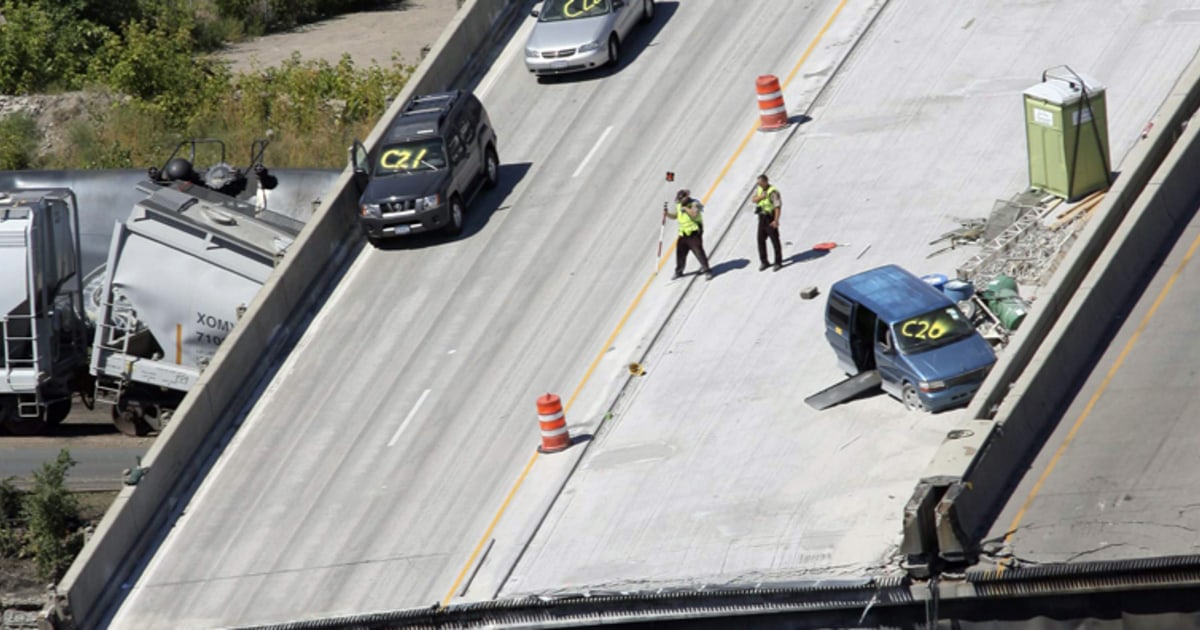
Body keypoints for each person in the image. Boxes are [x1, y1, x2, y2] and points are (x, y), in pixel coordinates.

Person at [668, 188, 712, 280]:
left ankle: (707, 271)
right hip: (683, 234)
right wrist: (667, 214)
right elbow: (676, 216)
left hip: (694, 233)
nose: (680, 201)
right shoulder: (679, 205)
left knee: (699, 252)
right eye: (679, 199)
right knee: (680, 253)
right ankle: (679, 271)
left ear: (686, 197)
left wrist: (685, 208)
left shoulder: (694, 203)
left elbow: (694, 214)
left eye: (681, 199)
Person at [750, 173, 783, 271]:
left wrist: (776, 220)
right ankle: (764, 261)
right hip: (762, 218)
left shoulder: (773, 192)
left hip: (770, 217)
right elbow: (753, 199)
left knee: (775, 240)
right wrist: (761, 197)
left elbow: (777, 207)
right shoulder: (760, 190)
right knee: (760, 239)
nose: (759, 185)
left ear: (765, 182)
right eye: (758, 183)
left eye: (760, 183)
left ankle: (778, 262)